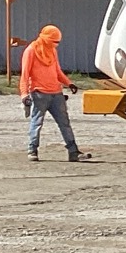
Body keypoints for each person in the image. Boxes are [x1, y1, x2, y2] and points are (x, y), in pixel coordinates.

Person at [19, 25, 93, 162]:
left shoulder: (52, 51)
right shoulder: (30, 51)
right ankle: (32, 150)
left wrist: (68, 83)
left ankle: (73, 152)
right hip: (39, 93)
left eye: (57, 42)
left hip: (57, 93)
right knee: (37, 122)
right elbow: (24, 75)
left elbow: (57, 71)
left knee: (65, 123)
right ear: (46, 38)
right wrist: (24, 94)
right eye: (54, 41)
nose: (56, 44)